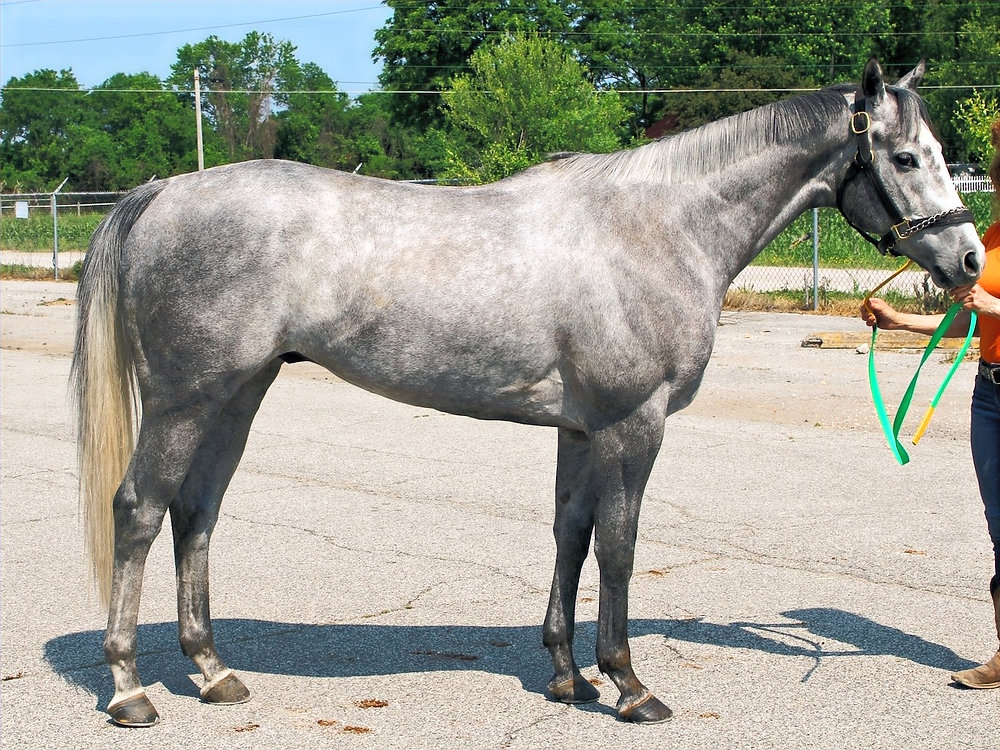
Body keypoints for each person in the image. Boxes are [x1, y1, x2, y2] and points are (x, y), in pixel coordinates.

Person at [863, 120, 1000, 689]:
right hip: (991, 393)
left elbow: (988, 307)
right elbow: (970, 317)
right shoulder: (990, 237)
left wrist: (993, 306)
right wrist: (902, 322)